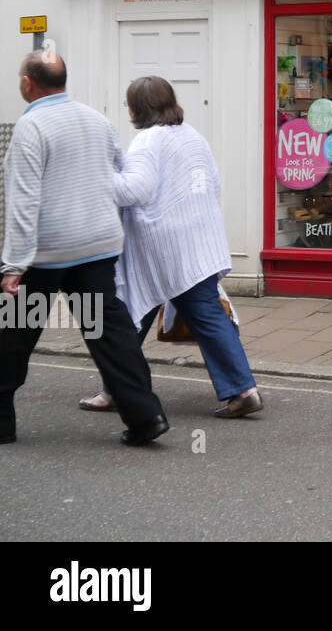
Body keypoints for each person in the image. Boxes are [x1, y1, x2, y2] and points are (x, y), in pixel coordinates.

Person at [0, 52, 169, 445]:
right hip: (96, 247)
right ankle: (147, 417)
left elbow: (24, 201)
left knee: (13, 334)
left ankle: (1, 424)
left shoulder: (32, 127)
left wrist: (14, 265)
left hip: (47, 253)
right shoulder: (97, 120)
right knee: (108, 332)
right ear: (62, 79)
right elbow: (119, 172)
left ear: (27, 83)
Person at [78, 76, 263, 418]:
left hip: (165, 250)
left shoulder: (148, 141)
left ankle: (240, 389)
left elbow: (134, 191)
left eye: (128, 103)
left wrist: (98, 173)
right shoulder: (192, 136)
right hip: (199, 241)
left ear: (137, 108)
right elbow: (214, 184)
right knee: (160, 316)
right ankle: (241, 389)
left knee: (131, 315)